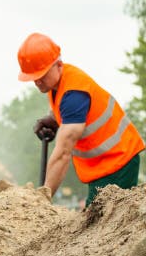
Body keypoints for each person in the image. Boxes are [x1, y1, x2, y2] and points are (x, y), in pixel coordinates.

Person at [18, 33, 144, 204]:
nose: (37, 81)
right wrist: (53, 119)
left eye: (41, 74)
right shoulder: (56, 84)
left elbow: (62, 153)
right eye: (33, 77)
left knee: (103, 219)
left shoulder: (74, 94)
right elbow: (66, 111)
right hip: (102, 165)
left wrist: (43, 199)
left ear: (58, 65)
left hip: (118, 162)